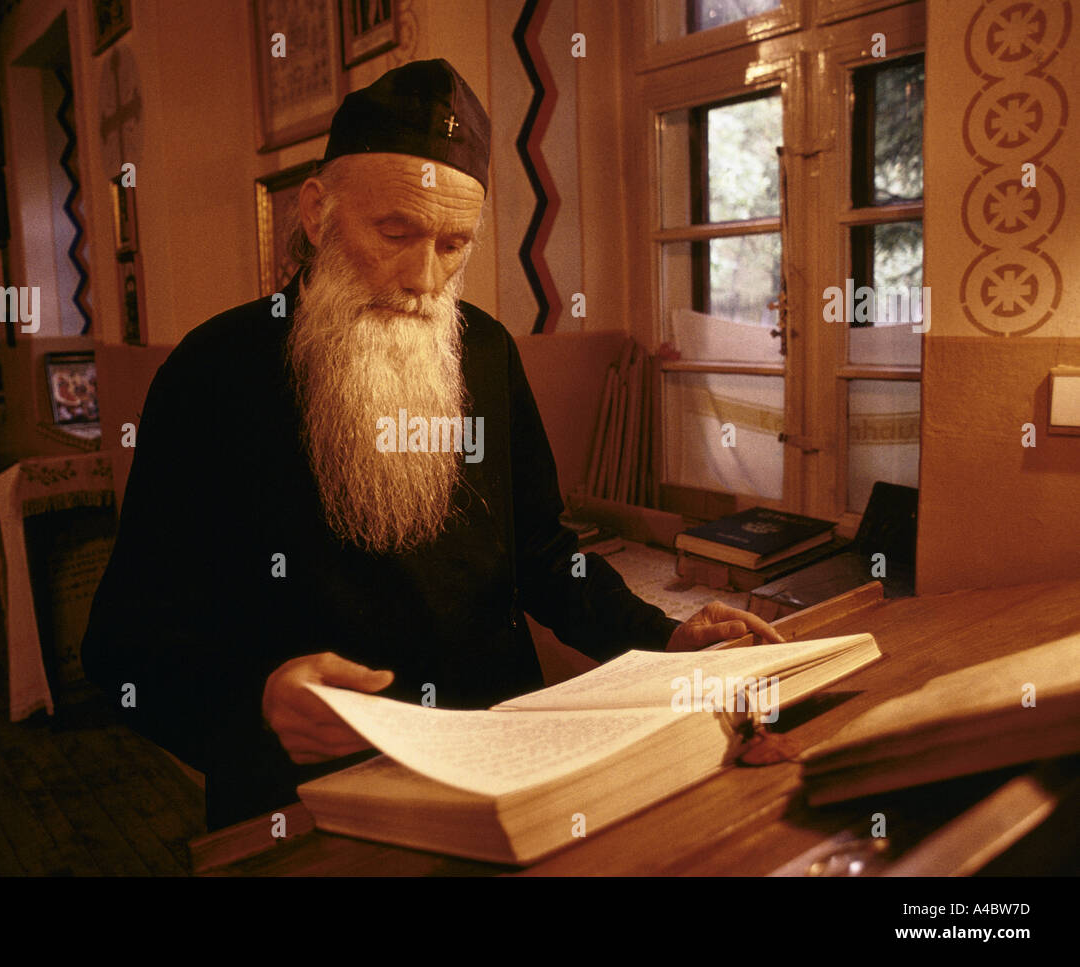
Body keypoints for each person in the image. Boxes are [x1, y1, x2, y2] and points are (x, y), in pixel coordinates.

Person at [80, 59, 781, 832]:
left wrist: (665, 633)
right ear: (316, 211)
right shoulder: (213, 372)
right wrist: (257, 700)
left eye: (454, 245)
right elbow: (120, 651)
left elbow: (544, 555)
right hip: (308, 807)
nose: (423, 278)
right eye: (395, 232)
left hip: (498, 774)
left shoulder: (483, 350)